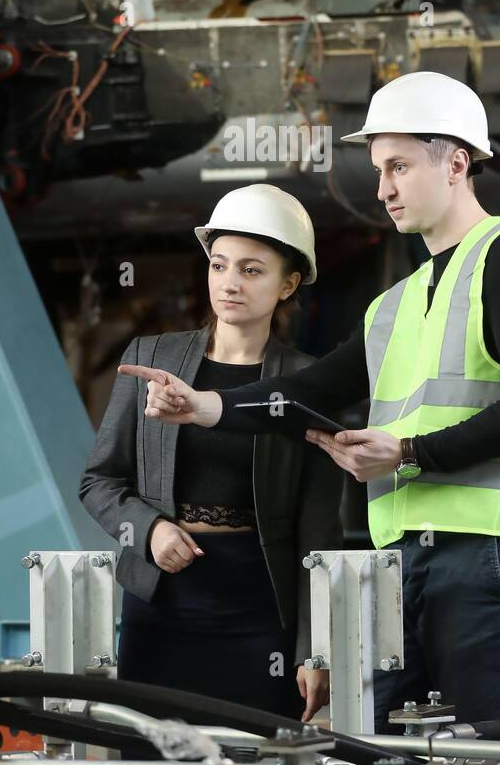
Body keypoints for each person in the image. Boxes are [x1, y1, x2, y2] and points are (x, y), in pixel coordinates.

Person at [121, 72, 500, 731]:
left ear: (456, 162)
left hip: (493, 551)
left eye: (398, 165)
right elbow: (307, 392)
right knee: (372, 746)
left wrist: (409, 453)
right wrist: (205, 408)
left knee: (483, 756)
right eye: (377, 169)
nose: (383, 188)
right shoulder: (392, 307)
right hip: (404, 560)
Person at [79, 184, 343, 725]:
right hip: (161, 602)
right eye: (220, 265)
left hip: (260, 609)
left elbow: (319, 530)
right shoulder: (150, 357)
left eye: (252, 270)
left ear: (288, 284)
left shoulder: (308, 384)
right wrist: (149, 529)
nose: (230, 283)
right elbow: (99, 483)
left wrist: (316, 649)